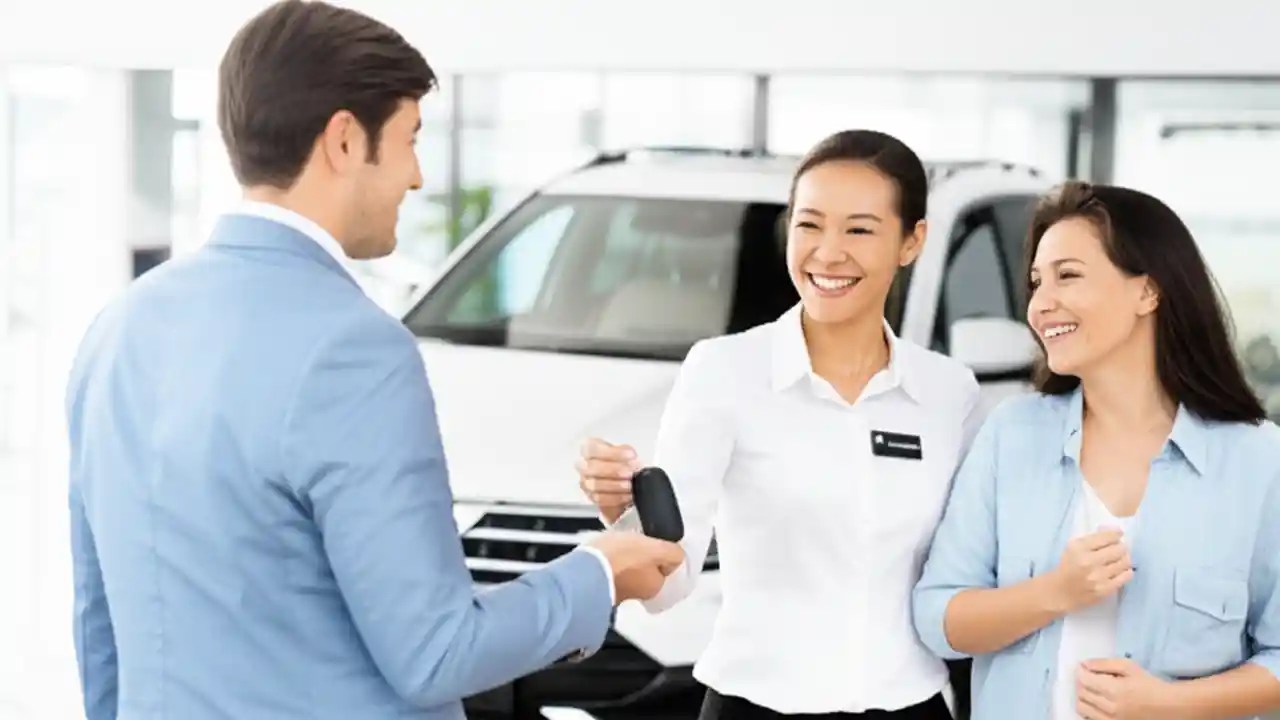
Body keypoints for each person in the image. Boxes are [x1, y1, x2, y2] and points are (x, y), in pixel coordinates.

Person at [63, 3, 684, 719]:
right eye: (410, 139)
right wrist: (598, 574)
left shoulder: (117, 328)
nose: (417, 176)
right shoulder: (356, 349)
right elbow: (437, 652)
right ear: (345, 140)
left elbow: (99, 625)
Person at [576, 129, 980, 719]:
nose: (828, 252)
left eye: (860, 229)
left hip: (908, 705)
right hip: (757, 705)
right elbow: (670, 583)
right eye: (809, 224)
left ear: (912, 240)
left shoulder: (949, 394)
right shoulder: (724, 371)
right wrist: (625, 518)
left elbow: (962, 579)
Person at [912, 181, 1280, 720]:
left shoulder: (1258, 460)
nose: (1041, 304)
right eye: (1037, 282)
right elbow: (938, 617)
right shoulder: (1011, 436)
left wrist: (1168, 704)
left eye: (1068, 275)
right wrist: (1054, 592)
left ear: (1147, 292)